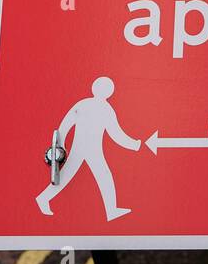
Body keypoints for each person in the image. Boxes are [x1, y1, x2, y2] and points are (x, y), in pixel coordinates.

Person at [35, 76, 141, 222]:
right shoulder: (102, 108)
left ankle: (111, 210)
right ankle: (43, 199)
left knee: (98, 175)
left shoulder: (87, 104)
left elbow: (65, 125)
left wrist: (61, 143)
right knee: (91, 175)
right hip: (85, 149)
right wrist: (134, 145)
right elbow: (115, 133)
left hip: (89, 149)